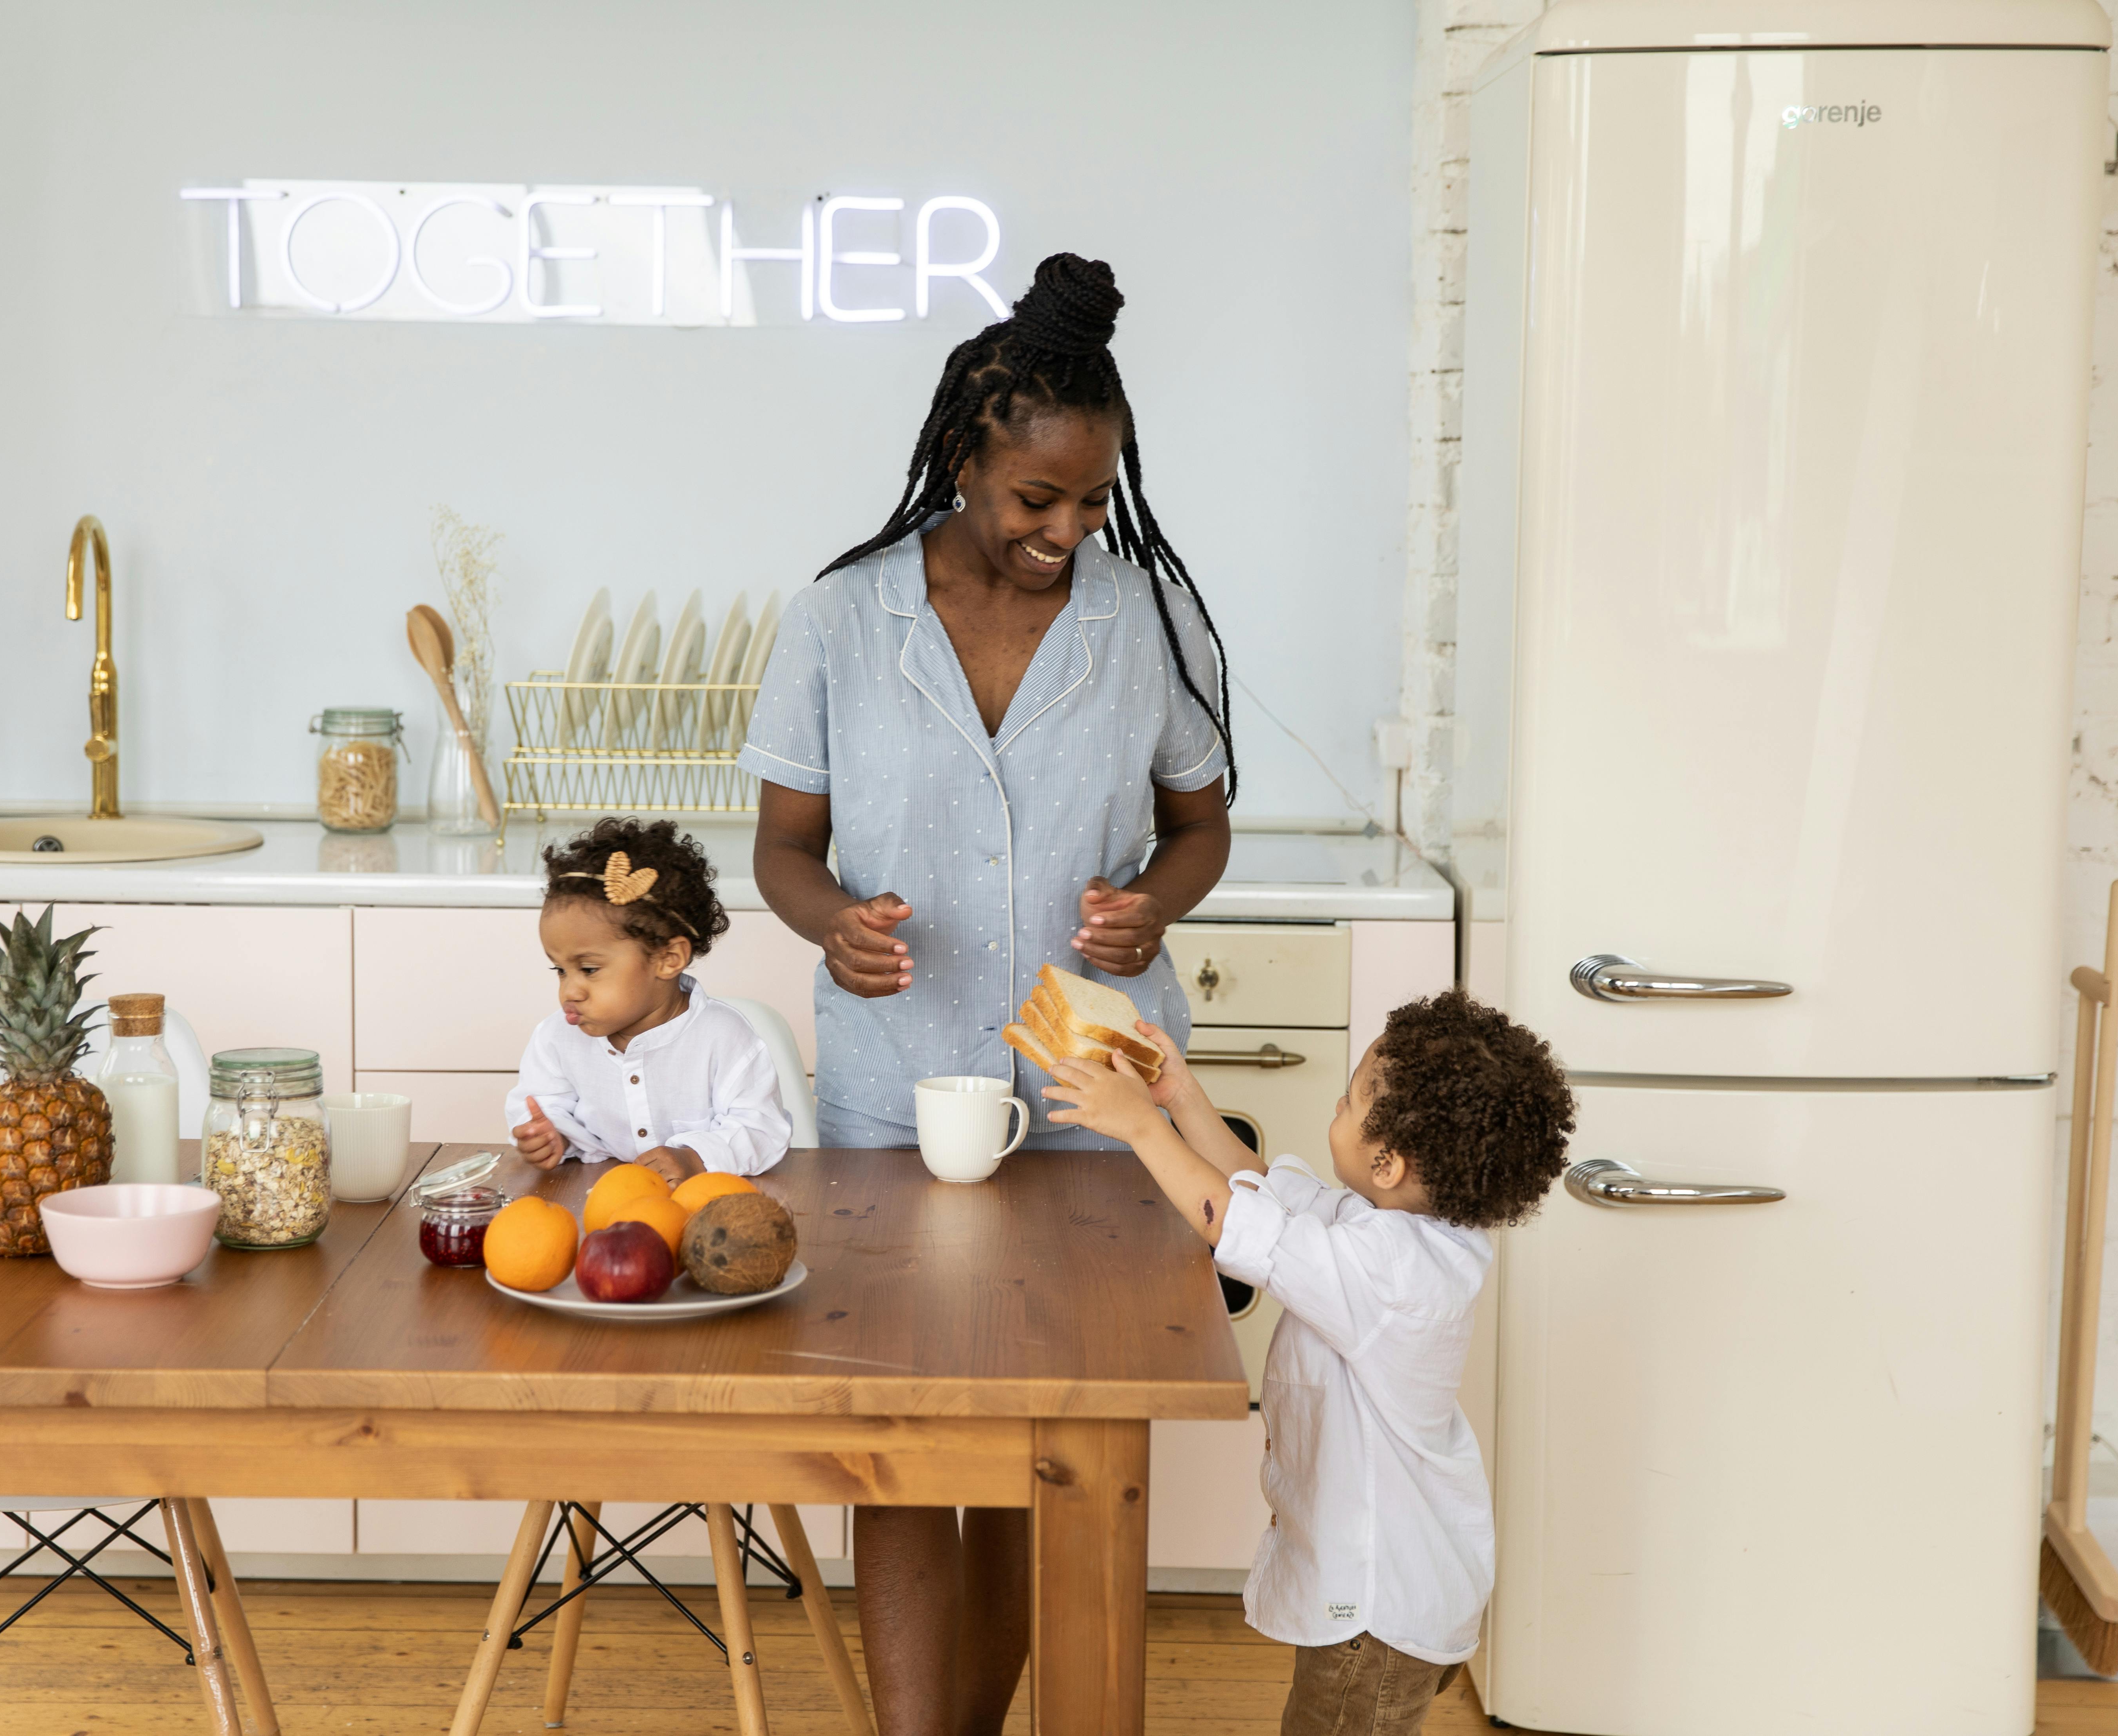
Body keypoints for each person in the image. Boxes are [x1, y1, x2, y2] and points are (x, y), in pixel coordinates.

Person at [738, 251, 1237, 1730]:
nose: (1066, 529)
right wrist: (832, 928)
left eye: (1093, 500)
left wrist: (1154, 904)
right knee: (896, 1431)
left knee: (1049, 1435)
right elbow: (781, 850)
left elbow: (1199, 826)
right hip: (895, 1087)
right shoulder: (841, 619)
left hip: (1097, 1095)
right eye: (1036, 500)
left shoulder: (1145, 617)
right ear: (966, 458)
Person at [1043, 990, 1576, 1736]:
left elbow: (1232, 1222)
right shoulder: (1393, 1230)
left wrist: (1138, 1127)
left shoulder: (1389, 1271)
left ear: (1387, 1162)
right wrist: (1182, 1099)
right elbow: (1260, 1192)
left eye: (1350, 1099)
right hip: (1396, 1585)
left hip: (1375, 1604)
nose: (1338, 1100)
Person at [505, 817, 790, 1184]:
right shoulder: (556, 1038)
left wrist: (695, 1158)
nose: (569, 992)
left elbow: (762, 1129)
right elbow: (542, 1106)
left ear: (668, 959)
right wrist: (552, 1136)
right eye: (560, 970)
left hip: (708, 1212)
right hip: (605, 1208)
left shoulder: (724, 1038)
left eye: (589, 969)